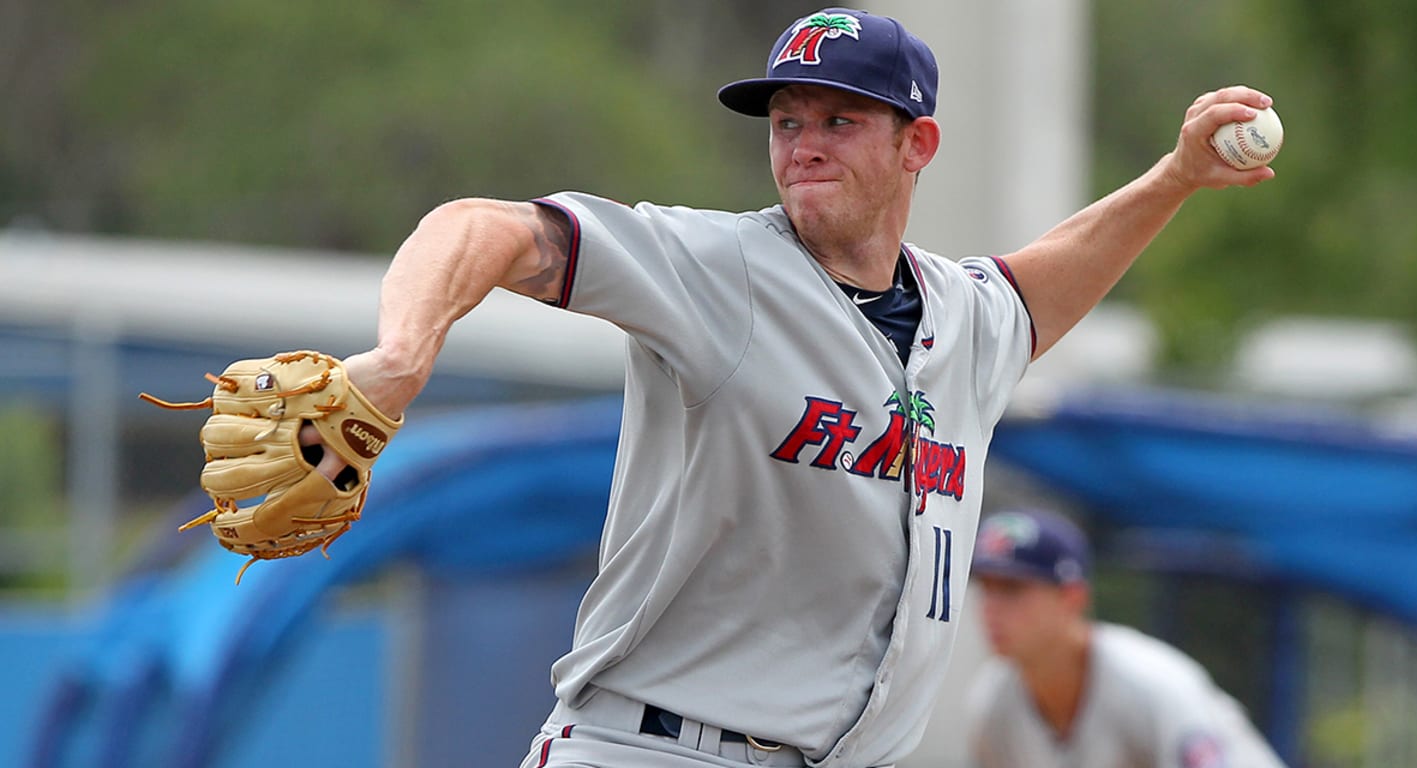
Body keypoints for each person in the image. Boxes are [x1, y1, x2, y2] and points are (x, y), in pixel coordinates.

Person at [313, 7, 1276, 767]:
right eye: (786, 121)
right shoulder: (715, 268)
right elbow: (485, 227)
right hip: (655, 749)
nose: (802, 143)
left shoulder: (968, 320)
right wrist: (403, 353)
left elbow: (1046, 278)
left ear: (917, 145)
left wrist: (1178, 176)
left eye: (839, 119)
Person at [966, 508, 1289, 768]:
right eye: (986, 587)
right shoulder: (993, 703)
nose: (991, 608)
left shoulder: (1150, 683)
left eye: (1012, 589)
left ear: (1072, 598)